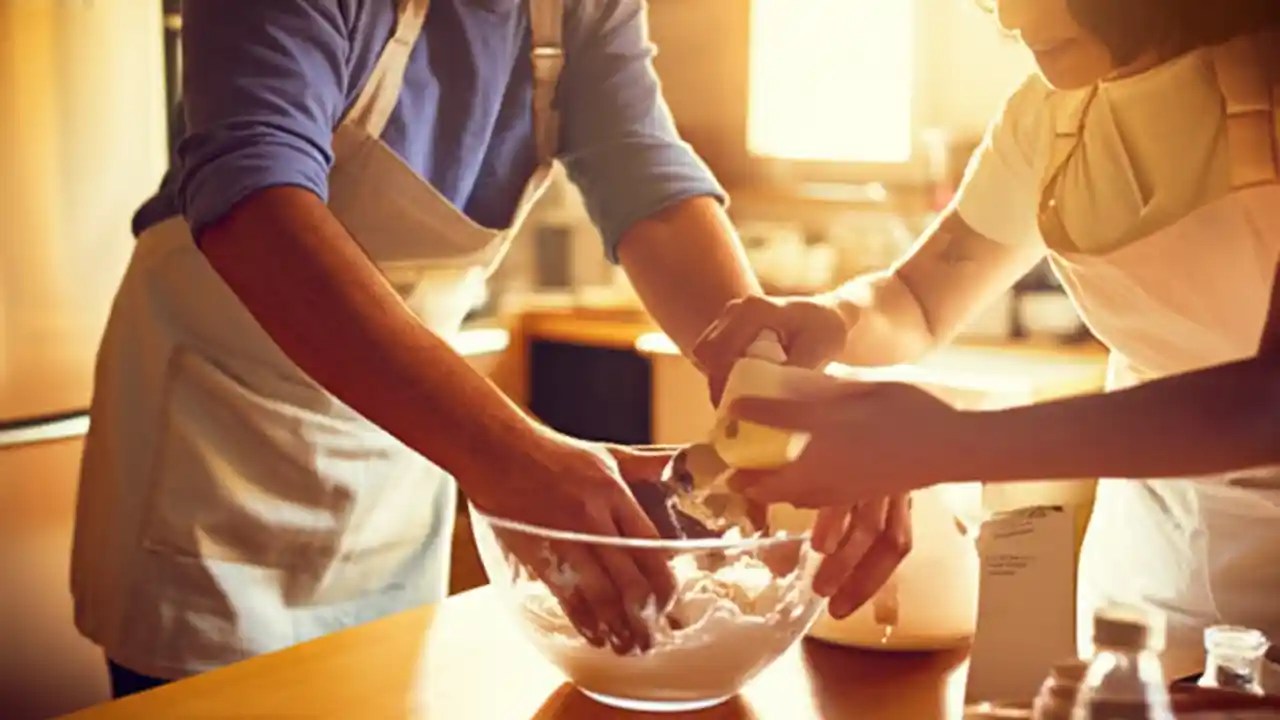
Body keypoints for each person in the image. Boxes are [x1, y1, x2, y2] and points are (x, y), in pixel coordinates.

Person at [71, 0, 770, 698]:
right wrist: (511, 455)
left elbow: (644, 178)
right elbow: (257, 211)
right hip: (210, 461)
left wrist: (774, 391)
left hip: (402, 453)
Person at [694, 0, 1280, 680]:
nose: (1005, 13)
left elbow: (1265, 402)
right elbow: (915, 299)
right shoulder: (1048, 118)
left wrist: (944, 443)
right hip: (1147, 578)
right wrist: (833, 317)